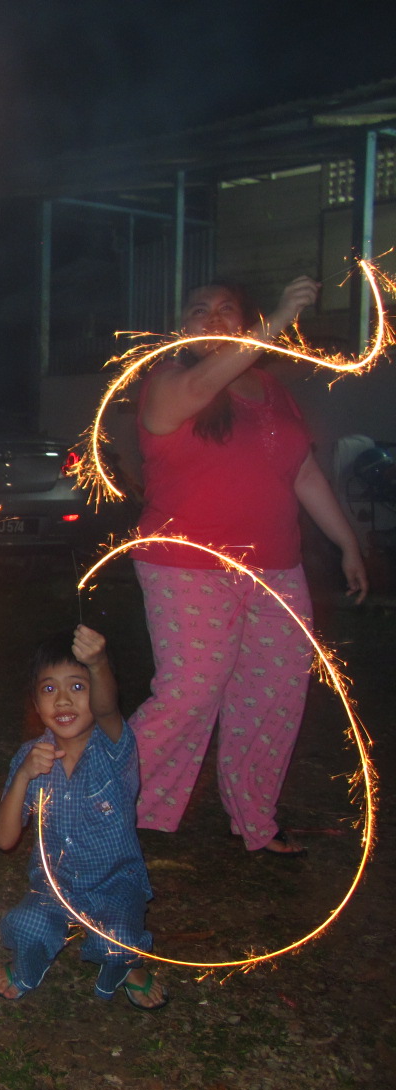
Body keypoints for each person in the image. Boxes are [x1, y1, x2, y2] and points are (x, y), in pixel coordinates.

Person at [130, 279, 368, 855]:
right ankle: (107, 802)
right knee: (190, 693)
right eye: (200, 310)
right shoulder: (169, 382)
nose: (213, 318)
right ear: (182, 329)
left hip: (277, 570)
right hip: (188, 563)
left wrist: (347, 543)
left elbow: (302, 470)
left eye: (226, 309)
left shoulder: (271, 390)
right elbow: (204, 384)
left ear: (244, 320)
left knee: (273, 699)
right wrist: (281, 317)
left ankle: (255, 819)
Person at [0, 627, 165, 1010]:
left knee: (120, 940)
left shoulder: (114, 748)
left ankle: (130, 966)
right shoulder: (31, 756)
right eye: (49, 689)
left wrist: (97, 663)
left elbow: (107, 709)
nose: (63, 699)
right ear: (36, 703)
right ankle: (28, 964)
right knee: (27, 924)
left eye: (78, 686)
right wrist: (23, 777)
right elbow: (3, 840)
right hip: (55, 886)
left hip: (116, 883)